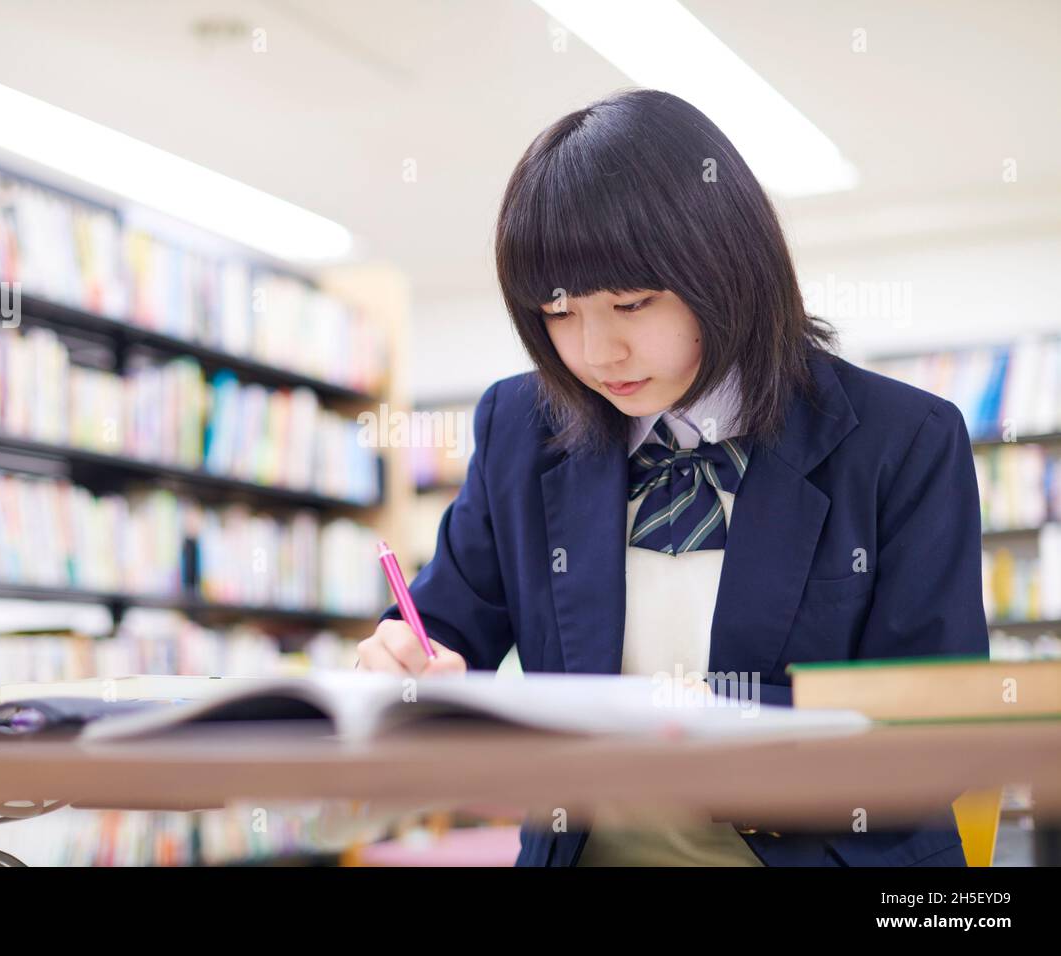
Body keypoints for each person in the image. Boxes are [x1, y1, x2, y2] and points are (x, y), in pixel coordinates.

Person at [356, 88, 988, 867]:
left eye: (630, 303)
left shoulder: (903, 440)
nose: (595, 353)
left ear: (727, 268)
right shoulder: (521, 426)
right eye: (557, 312)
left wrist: (715, 719)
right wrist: (411, 661)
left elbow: (930, 724)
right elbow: (449, 624)